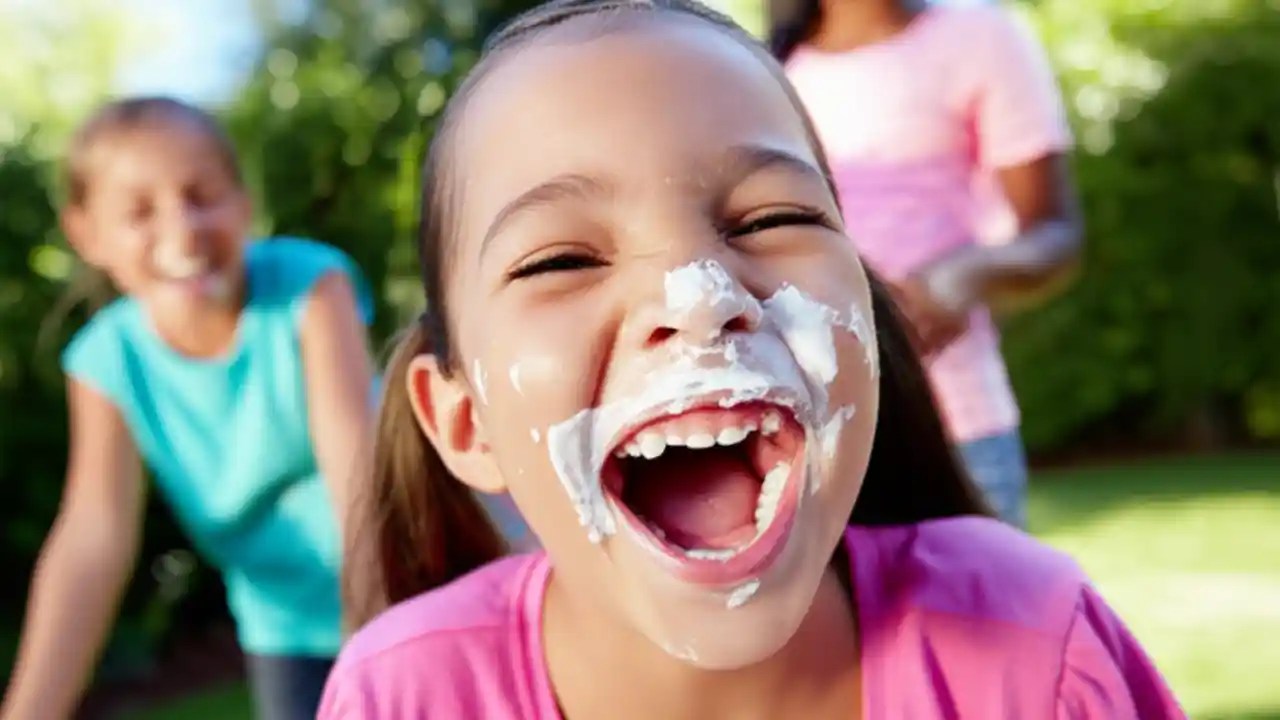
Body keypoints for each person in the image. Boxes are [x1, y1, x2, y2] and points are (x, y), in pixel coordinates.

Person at [321, 1, 1184, 717]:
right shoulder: (399, 695)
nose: (700, 299)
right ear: (466, 423)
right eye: (561, 261)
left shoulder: (1040, 647)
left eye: (773, 219)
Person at [0, 97, 376, 720]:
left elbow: (360, 477)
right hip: (283, 626)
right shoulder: (105, 360)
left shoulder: (311, 287)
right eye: (140, 212)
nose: (182, 231)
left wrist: (388, 633)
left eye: (203, 195)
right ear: (87, 235)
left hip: (414, 576)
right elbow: (94, 535)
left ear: (244, 202)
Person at [770, 0, 1082, 528]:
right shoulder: (766, 69)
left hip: (956, 428)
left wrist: (960, 279)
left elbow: (1055, 234)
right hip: (807, 443)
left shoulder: (980, 36)